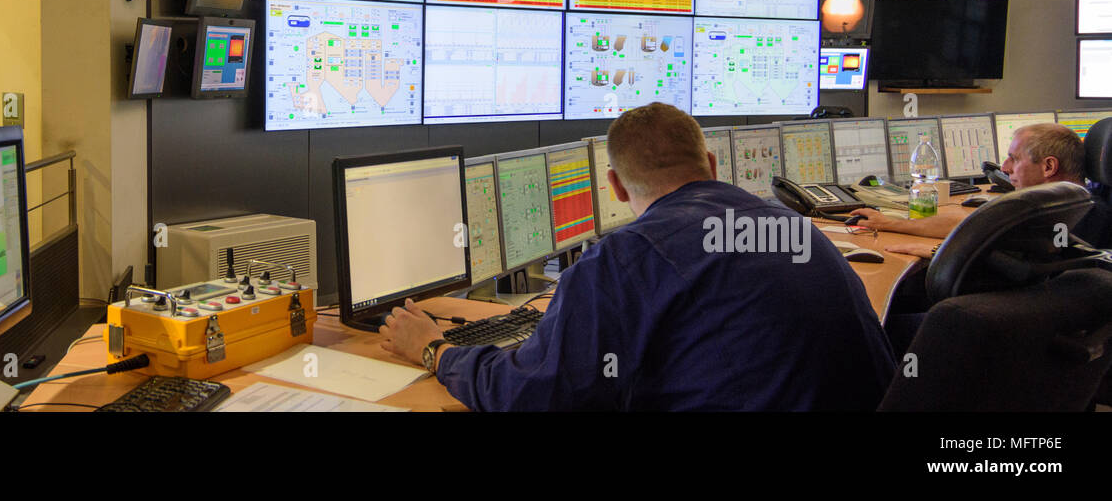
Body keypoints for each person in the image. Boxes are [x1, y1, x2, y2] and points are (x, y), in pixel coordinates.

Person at [378, 103, 896, 410]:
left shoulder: (625, 258)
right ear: (711, 164)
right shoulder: (791, 227)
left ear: (615, 188)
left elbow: (535, 398)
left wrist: (436, 351)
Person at [853, 123, 1085, 257]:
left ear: (1048, 166)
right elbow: (970, 224)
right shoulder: (1052, 206)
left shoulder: (1071, 220)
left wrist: (937, 251)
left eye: (1014, 159)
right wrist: (891, 224)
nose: (1004, 168)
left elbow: (1021, 255)